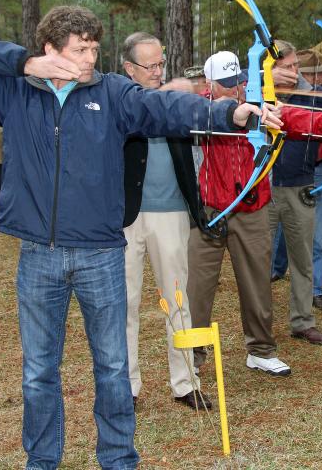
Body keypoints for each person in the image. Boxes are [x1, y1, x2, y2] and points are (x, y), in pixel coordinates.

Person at [0, 6, 278, 470]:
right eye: (79, 49)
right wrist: (24, 63)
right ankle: (42, 460)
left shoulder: (113, 92)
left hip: (101, 252)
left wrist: (229, 112)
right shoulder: (13, 91)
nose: (88, 58)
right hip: (39, 254)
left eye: (94, 49)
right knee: (39, 371)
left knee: (113, 367)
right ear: (50, 50)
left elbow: (166, 107)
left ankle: (119, 458)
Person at [187, 50, 322, 374]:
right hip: (209, 210)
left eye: (239, 82)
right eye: (226, 84)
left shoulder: (260, 101)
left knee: (257, 284)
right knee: (199, 286)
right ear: (209, 83)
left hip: (252, 207)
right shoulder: (198, 107)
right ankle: (192, 358)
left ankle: (260, 350)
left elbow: (293, 117)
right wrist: (236, 112)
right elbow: (197, 115)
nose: (235, 89)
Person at [120, 32, 211, 411]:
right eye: (150, 65)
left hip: (171, 212)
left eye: (161, 63)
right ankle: (125, 388)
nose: (158, 71)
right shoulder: (115, 101)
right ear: (128, 68)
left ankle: (186, 382)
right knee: (122, 303)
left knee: (177, 298)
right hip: (122, 216)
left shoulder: (174, 101)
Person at [266, 44, 322, 326]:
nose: (295, 72)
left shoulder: (309, 92)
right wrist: (262, 78)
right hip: (261, 187)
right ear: (270, 67)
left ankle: (303, 320)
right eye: (289, 66)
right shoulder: (251, 91)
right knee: (259, 260)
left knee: (304, 257)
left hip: (301, 182)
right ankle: (260, 324)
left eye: (296, 66)